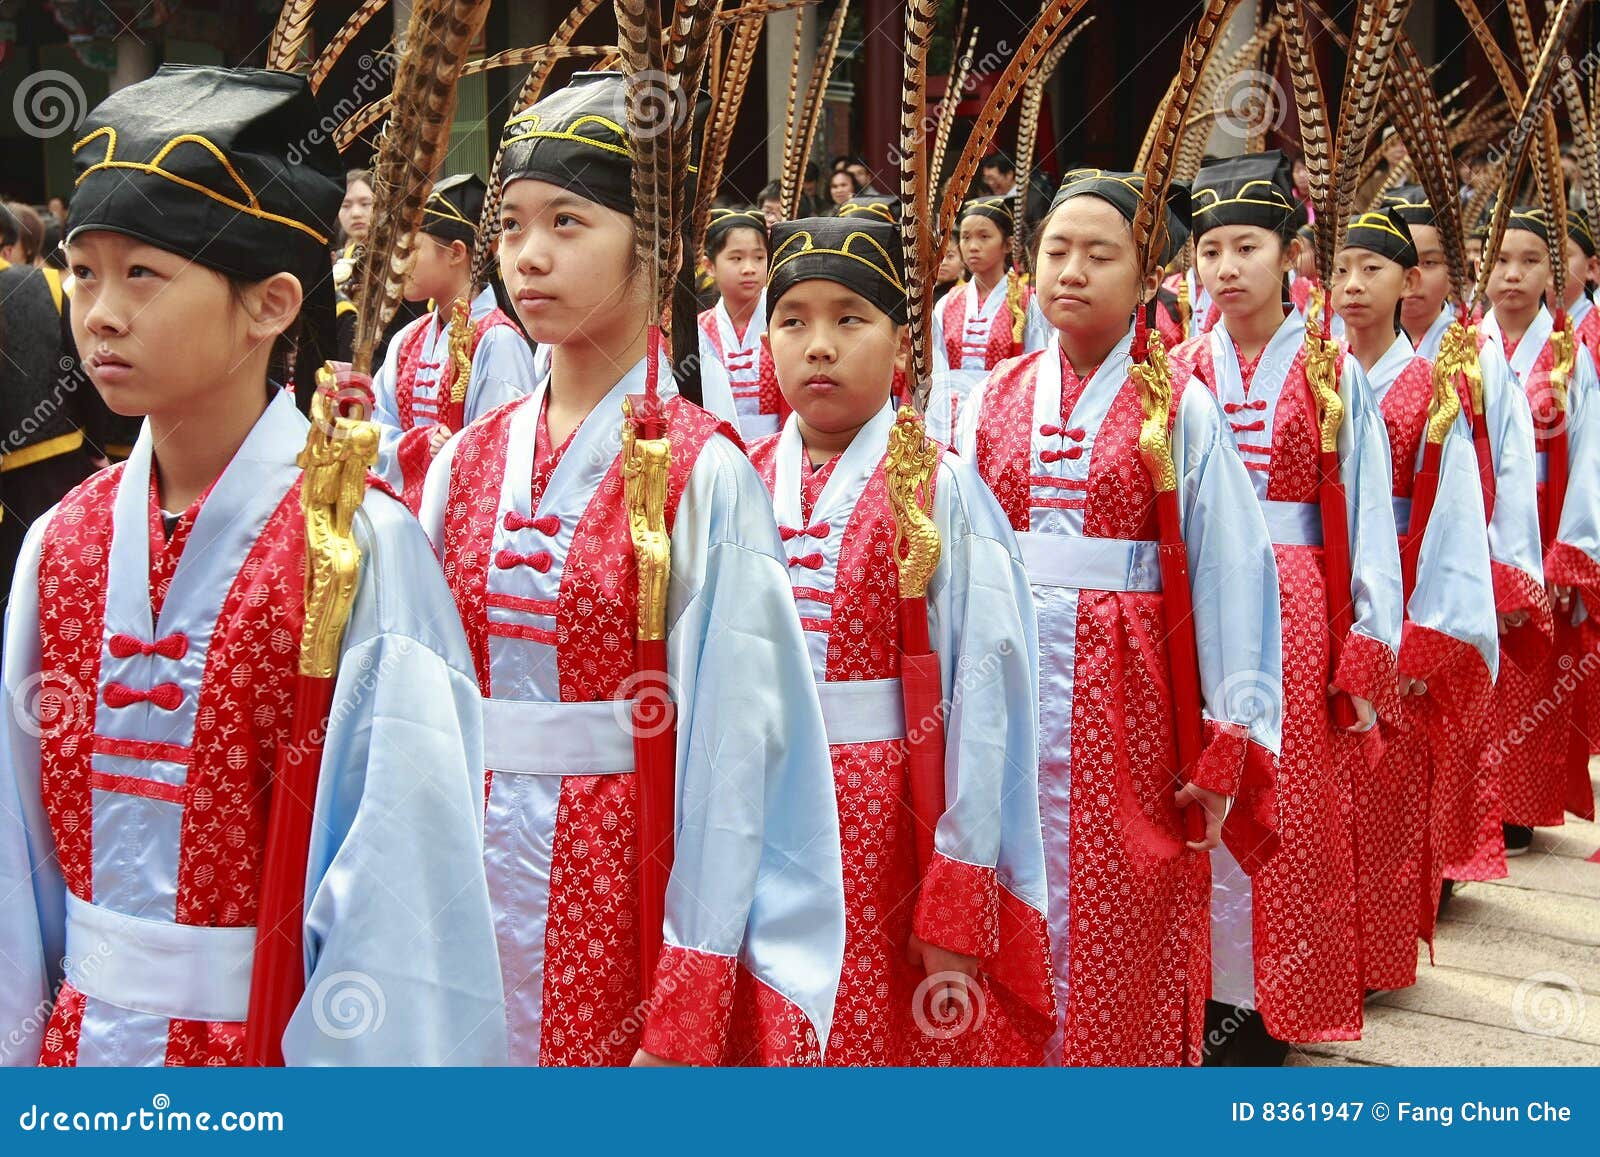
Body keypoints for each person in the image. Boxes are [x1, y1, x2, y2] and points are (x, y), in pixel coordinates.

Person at [0, 63, 506, 1067]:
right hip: (78, 1043)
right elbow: (16, 855)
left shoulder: (356, 546)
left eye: (143, 274)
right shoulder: (64, 541)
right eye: (84, 271)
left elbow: (400, 890)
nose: (99, 313)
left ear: (271, 303)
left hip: (268, 1054)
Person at [418, 70, 846, 1067]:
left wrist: (689, 991)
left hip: (624, 880)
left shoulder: (703, 473)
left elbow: (736, 751)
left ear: (654, 243)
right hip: (463, 879)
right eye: (511, 225)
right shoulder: (464, 461)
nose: (527, 254)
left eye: (566, 222)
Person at [956, 168, 1282, 1066]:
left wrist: (1230, 732)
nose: (1072, 271)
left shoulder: (1178, 405)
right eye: (1056, 250)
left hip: (1129, 702)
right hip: (1007, 690)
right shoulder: (990, 398)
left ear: (1148, 276)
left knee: (1123, 894)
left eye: (1100, 255)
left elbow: (1230, 571)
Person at [750, 213, 1054, 1064]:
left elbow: (985, 701)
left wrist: (956, 891)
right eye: (793, 320)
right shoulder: (734, 481)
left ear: (903, 341)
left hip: (887, 824)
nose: (819, 345)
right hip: (753, 812)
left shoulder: (940, 488)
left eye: (851, 318)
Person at [1176, 150, 1402, 1060]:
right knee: (1201, 788)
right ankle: (1197, 994)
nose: (1226, 267)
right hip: (1199, 609)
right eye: (1210, 249)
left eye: (1247, 247)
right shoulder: (1177, 370)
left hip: (1300, 609)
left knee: (1292, 803)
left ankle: (1270, 1004)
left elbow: (1369, 508)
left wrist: (1369, 641)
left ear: (1291, 255)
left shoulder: (1329, 370)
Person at [1330, 208, 1496, 990]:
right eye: (1342, 269)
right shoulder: (1320, 374)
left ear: (1411, 281)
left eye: (1373, 269)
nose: (1354, 285)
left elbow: (1454, 514)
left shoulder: (1430, 388)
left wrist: (1429, 631)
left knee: (1389, 787)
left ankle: (1376, 953)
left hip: (1400, 589)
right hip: (1326, 593)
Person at [1378, 186, 1548, 890]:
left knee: (1441, 716)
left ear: (1453, 272)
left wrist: (1507, 566)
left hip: (1452, 556)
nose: (1416, 280)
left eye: (1431, 263)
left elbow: (1510, 460)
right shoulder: (1346, 354)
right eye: (1404, 263)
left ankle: (1438, 868)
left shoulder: (1474, 355)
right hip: (1376, 558)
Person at [1479, 205, 1600, 851]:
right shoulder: (1462, 350)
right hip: (1472, 531)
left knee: (1529, 676)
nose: (1512, 275)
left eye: (1529, 262)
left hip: (1543, 533)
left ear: (1553, 273)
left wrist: (1570, 550)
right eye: (1501, 260)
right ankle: (1469, 808)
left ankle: (1515, 806)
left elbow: (1589, 458)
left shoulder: (1566, 357)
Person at [370, 172, 535, 512]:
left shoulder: (498, 341)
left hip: (466, 519)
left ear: (456, 252)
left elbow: (502, 452)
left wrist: (452, 452)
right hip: (402, 515)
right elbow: (374, 429)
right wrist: (421, 444)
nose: (399, 263)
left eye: (411, 249)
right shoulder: (406, 340)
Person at [926, 196, 1048, 442]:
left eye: (984, 236)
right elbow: (936, 370)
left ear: (1008, 244)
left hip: (1005, 416)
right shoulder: (946, 303)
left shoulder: (1026, 302)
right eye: (965, 237)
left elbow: (1038, 366)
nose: (972, 246)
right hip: (951, 419)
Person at [697, 208, 785, 440]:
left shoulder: (786, 322)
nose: (749, 268)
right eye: (736, 258)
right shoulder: (698, 330)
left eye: (759, 257)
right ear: (709, 266)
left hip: (781, 448)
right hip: (716, 447)